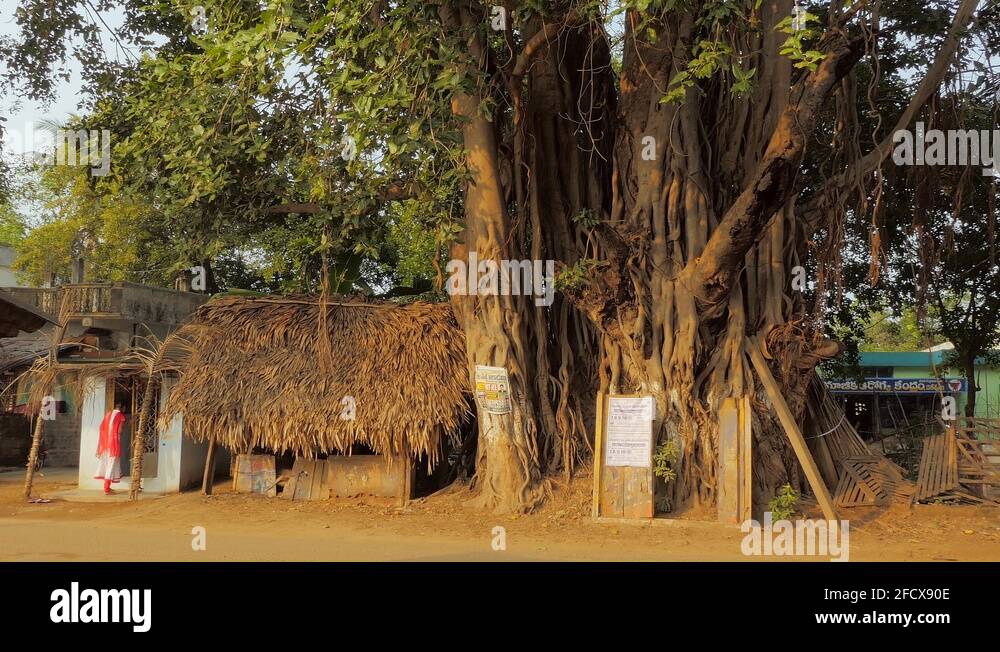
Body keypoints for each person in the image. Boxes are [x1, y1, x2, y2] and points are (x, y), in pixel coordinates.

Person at [94, 403, 125, 494]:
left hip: (105, 444)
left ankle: (108, 487)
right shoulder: (121, 416)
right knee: (111, 465)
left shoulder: (108, 415)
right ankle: (106, 488)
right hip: (114, 444)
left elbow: (101, 428)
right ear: (122, 407)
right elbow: (119, 431)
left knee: (107, 464)